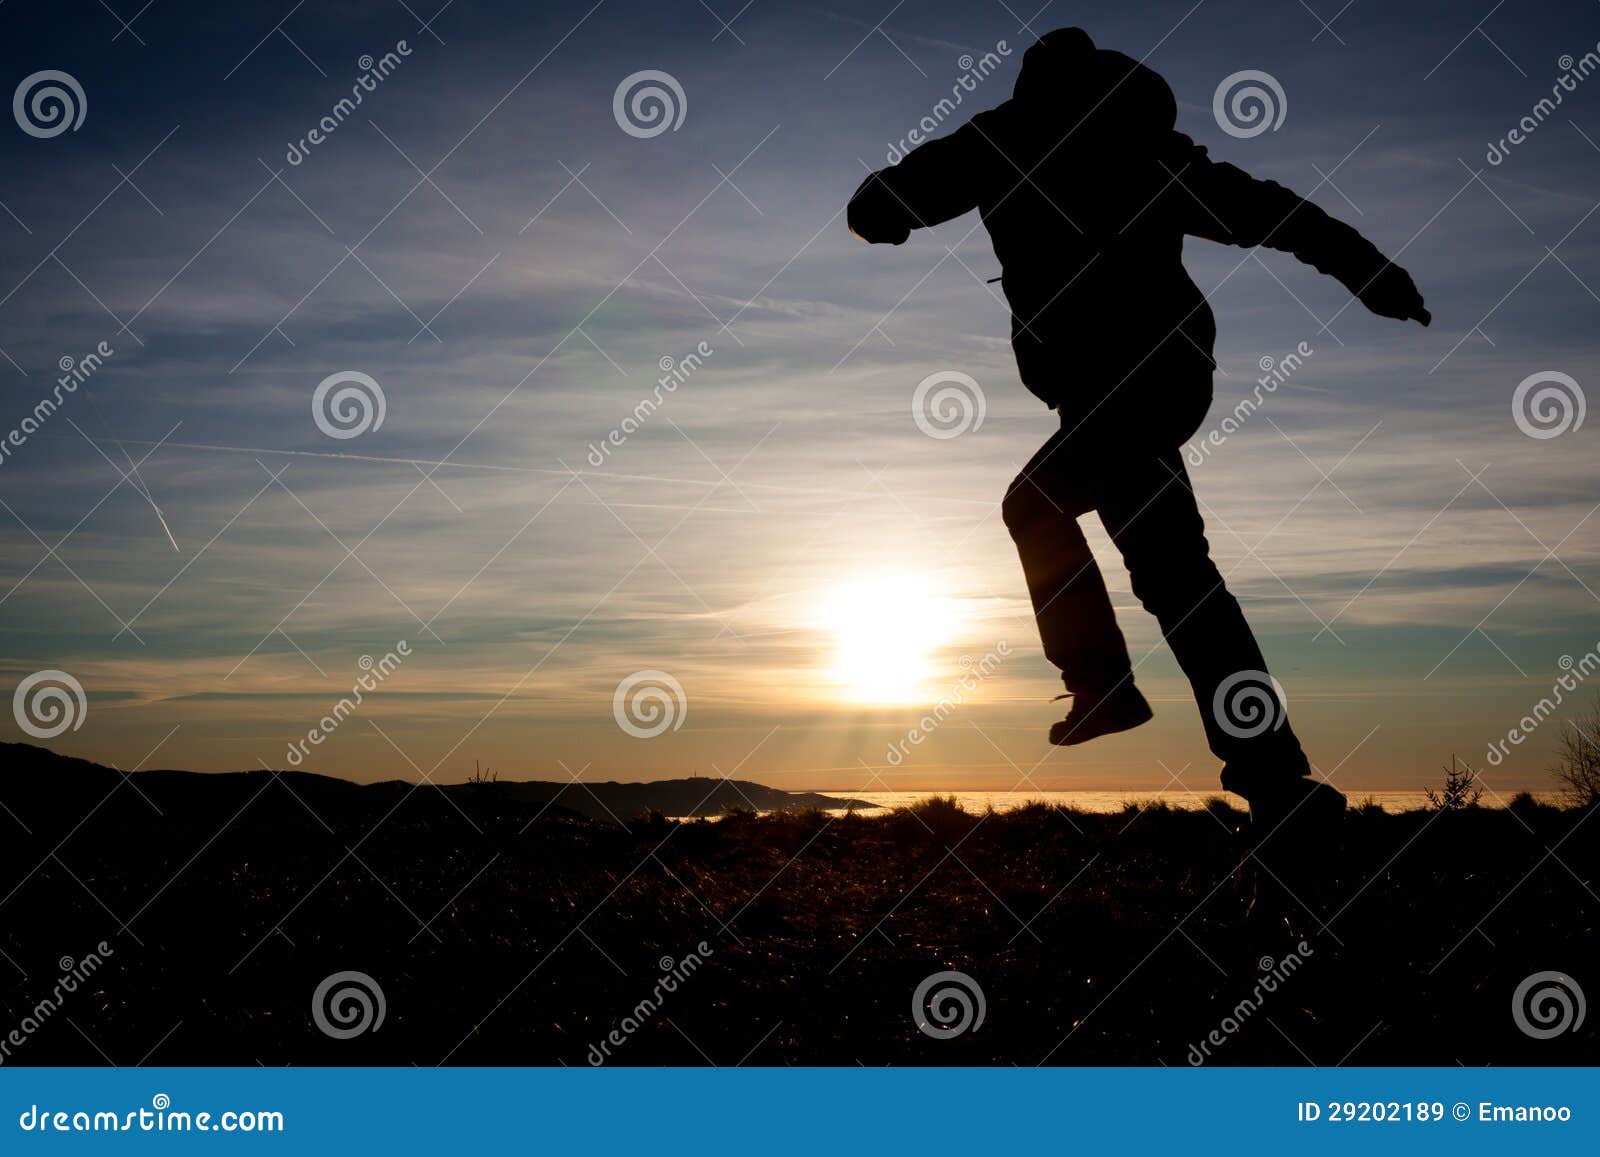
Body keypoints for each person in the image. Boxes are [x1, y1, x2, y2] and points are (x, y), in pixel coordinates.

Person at [847, 28, 1428, 856]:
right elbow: (1277, 212)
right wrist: (1371, 274)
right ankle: (1277, 785)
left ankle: (1104, 685)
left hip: (1137, 383)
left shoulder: (1015, 141)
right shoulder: (1131, 151)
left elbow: (882, 204)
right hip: (1149, 380)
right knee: (1178, 579)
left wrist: (882, 210)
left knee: (1038, 504)